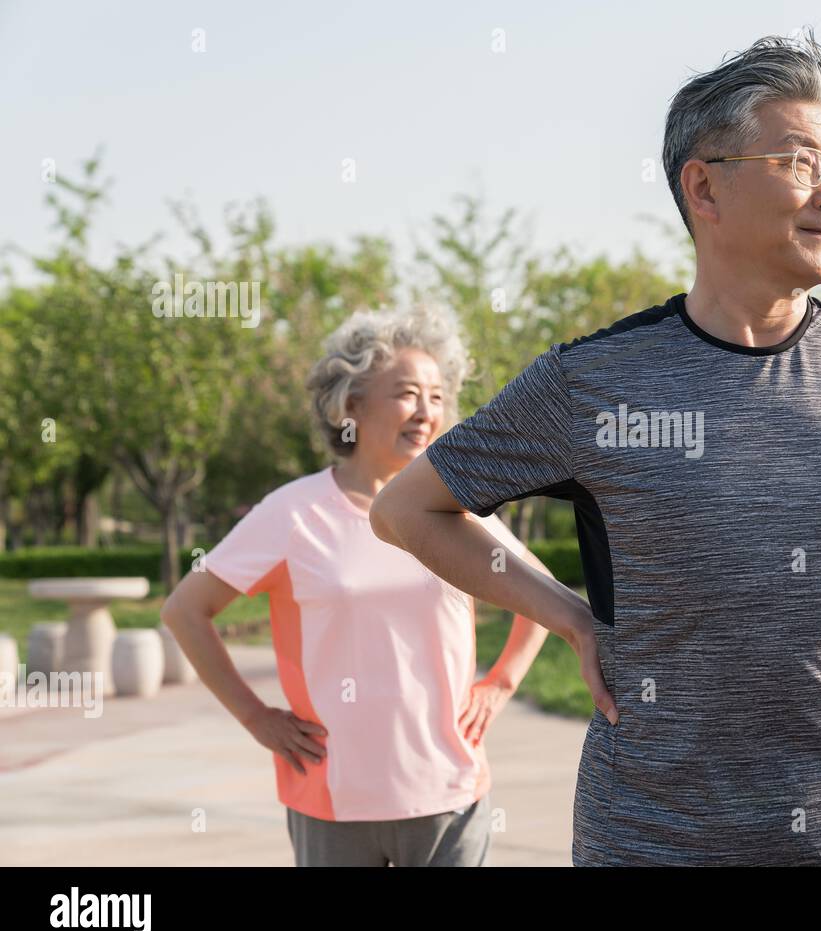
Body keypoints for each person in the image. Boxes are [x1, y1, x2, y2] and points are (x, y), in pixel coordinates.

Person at [371, 29, 821, 865]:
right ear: (705, 188)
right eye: (801, 163)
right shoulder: (595, 381)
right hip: (651, 839)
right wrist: (569, 618)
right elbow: (407, 507)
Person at [161, 305, 556, 866]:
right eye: (406, 393)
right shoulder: (291, 513)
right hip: (330, 795)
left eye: (438, 396)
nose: (426, 411)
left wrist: (501, 683)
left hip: (449, 786)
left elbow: (541, 593)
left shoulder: (458, 511)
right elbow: (185, 610)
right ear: (351, 404)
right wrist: (256, 717)